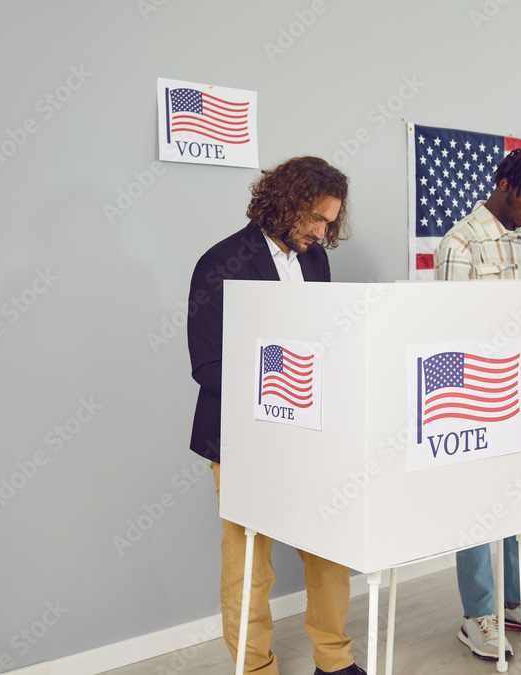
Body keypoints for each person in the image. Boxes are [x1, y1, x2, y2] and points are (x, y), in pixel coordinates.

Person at [187, 156, 365, 675]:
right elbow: (207, 364)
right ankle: (255, 667)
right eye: (314, 218)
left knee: (331, 548)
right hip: (240, 439)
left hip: (311, 437)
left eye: (330, 222)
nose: (321, 231)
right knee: (250, 566)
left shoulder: (316, 262)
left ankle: (334, 661)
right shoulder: (219, 262)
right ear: (284, 203)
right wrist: (280, 394)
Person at [434, 146, 521, 661]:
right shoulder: (460, 243)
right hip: (476, 395)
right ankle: (478, 615)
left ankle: (520, 601)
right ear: (504, 183)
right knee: (474, 505)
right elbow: (453, 328)